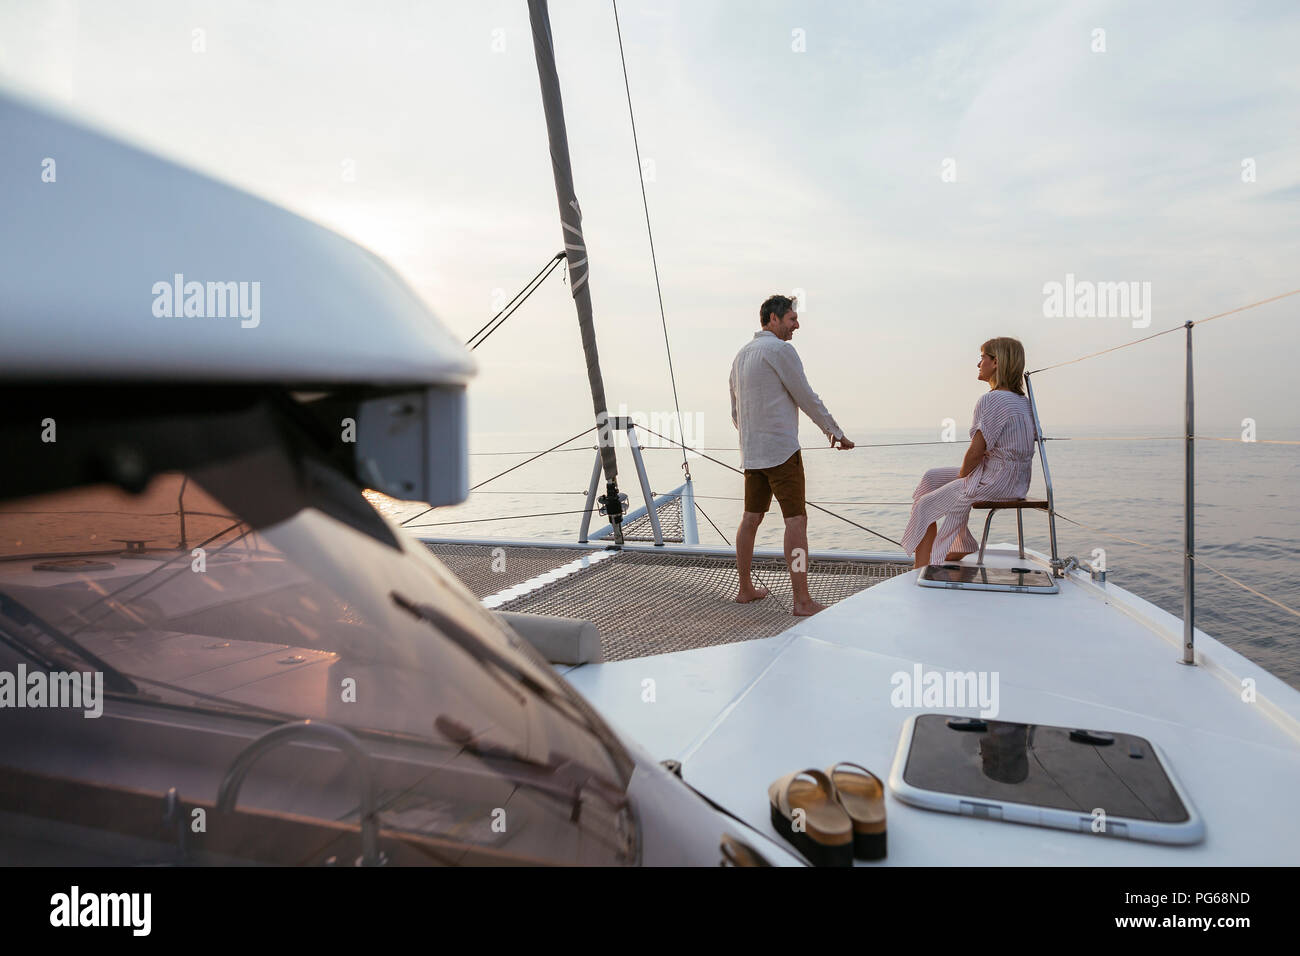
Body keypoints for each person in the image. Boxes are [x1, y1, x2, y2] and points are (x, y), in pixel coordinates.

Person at [729, 294, 854, 616]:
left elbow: (735, 410)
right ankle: (802, 600)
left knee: (750, 519)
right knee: (796, 521)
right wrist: (834, 431)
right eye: (791, 319)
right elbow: (805, 396)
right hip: (782, 452)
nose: (796, 325)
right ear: (773, 318)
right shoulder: (780, 350)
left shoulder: (742, 355)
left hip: (753, 453)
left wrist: (750, 437)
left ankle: (744, 589)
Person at [901, 337, 1036, 570]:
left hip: (996, 481)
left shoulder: (992, 399)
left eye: (982, 358)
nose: (978, 364)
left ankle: (921, 570)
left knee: (925, 504)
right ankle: (959, 545)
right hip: (1016, 481)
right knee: (931, 478)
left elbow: (975, 452)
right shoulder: (1022, 401)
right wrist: (957, 483)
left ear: (996, 362)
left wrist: (961, 479)